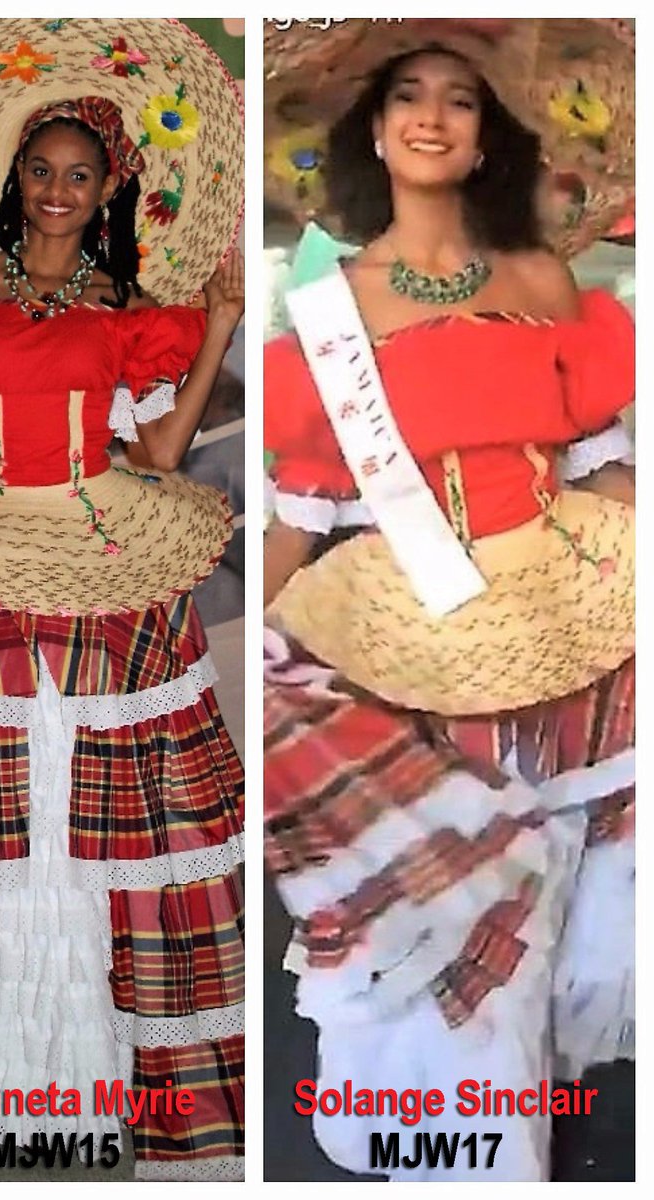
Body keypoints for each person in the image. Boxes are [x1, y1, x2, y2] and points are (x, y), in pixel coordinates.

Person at [0, 19, 245, 1182]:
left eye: (81, 174)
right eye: (41, 168)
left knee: (105, 828)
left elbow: (165, 453)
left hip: (101, 548)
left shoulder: (129, 306)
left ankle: (82, 1094)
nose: (58, 190)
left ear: (107, 188)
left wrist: (222, 323)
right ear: (13, 177)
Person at [262, 19, 634, 1181]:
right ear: (373, 129)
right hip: (406, 627)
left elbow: (603, 464)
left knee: (577, 890)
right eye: (409, 94)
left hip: (561, 602)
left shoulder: (542, 280)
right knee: (460, 925)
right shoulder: (330, 308)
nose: (433, 114)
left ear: (488, 139)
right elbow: (300, 515)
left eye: (461, 99)